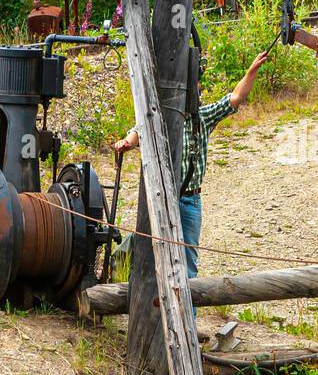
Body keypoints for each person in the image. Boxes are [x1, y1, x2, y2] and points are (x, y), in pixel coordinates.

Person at [113, 51, 269, 278]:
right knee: (152, 255)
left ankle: (189, 313)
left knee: (188, 265)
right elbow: (138, 132)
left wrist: (252, 69)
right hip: (162, 198)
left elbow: (235, 98)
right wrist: (126, 143)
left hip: (189, 200)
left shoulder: (202, 118)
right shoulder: (160, 118)